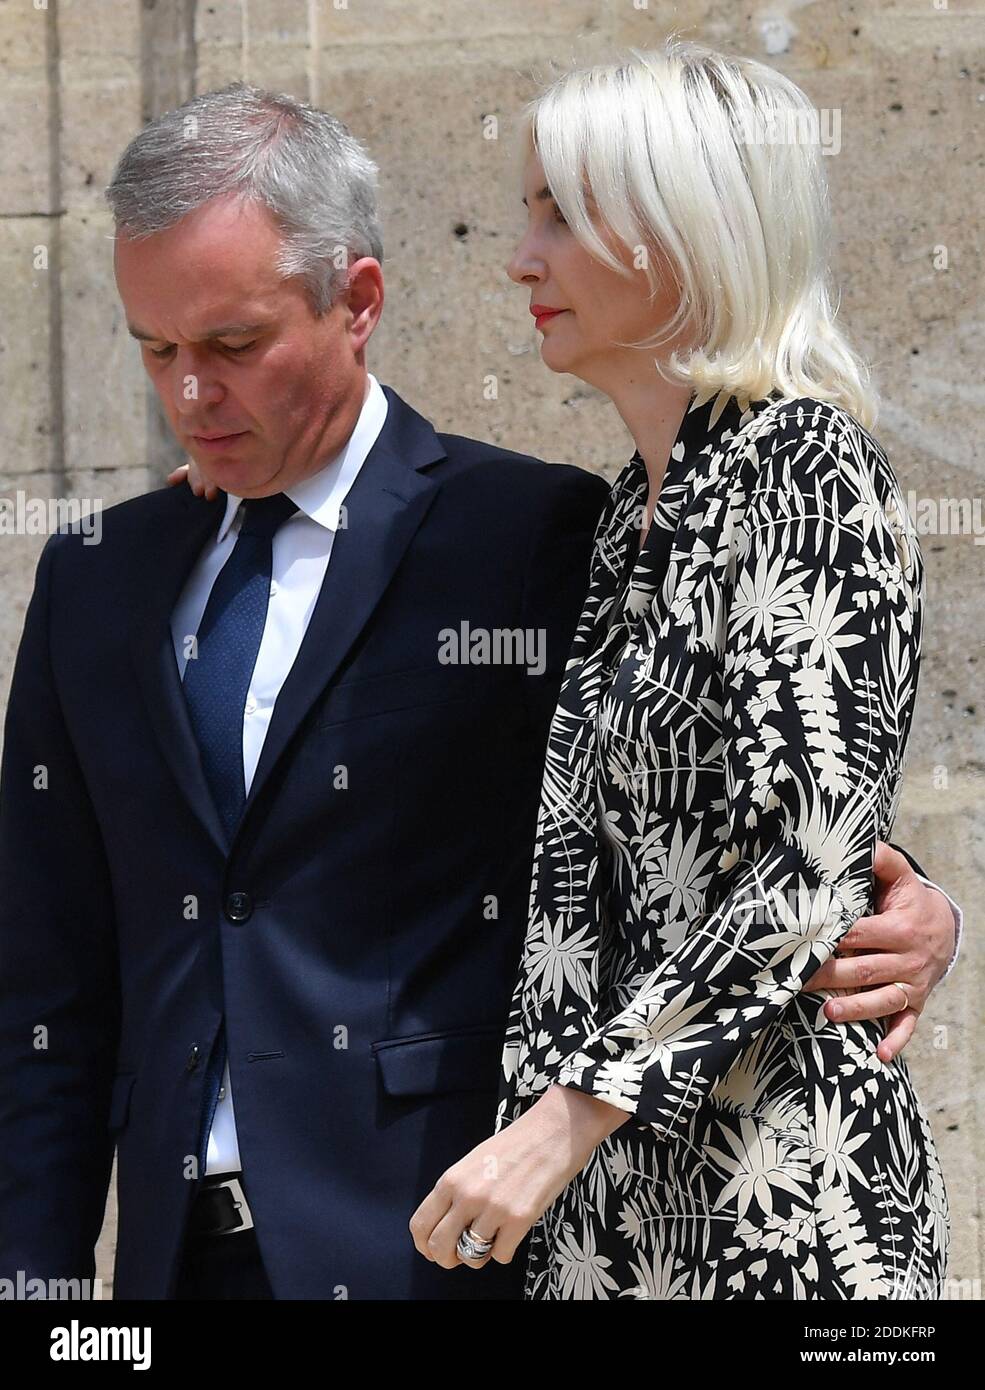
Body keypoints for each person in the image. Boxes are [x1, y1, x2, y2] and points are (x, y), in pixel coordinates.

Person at [0, 78, 959, 1302]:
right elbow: (48, 974)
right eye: (157, 350)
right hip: (224, 1265)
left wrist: (908, 899)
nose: (189, 395)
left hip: (487, 1237)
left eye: (232, 347)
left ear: (357, 306)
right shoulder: (103, 578)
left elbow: (781, 809)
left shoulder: (538, 529)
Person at [410, 40, 954, 1300]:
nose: (520, 256)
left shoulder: (805, 469)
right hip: (619, 1226)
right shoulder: (628, 516)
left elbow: (809, 859)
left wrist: (561, 1121)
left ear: (678, 232)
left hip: (782, 1205)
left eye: (560, 213)